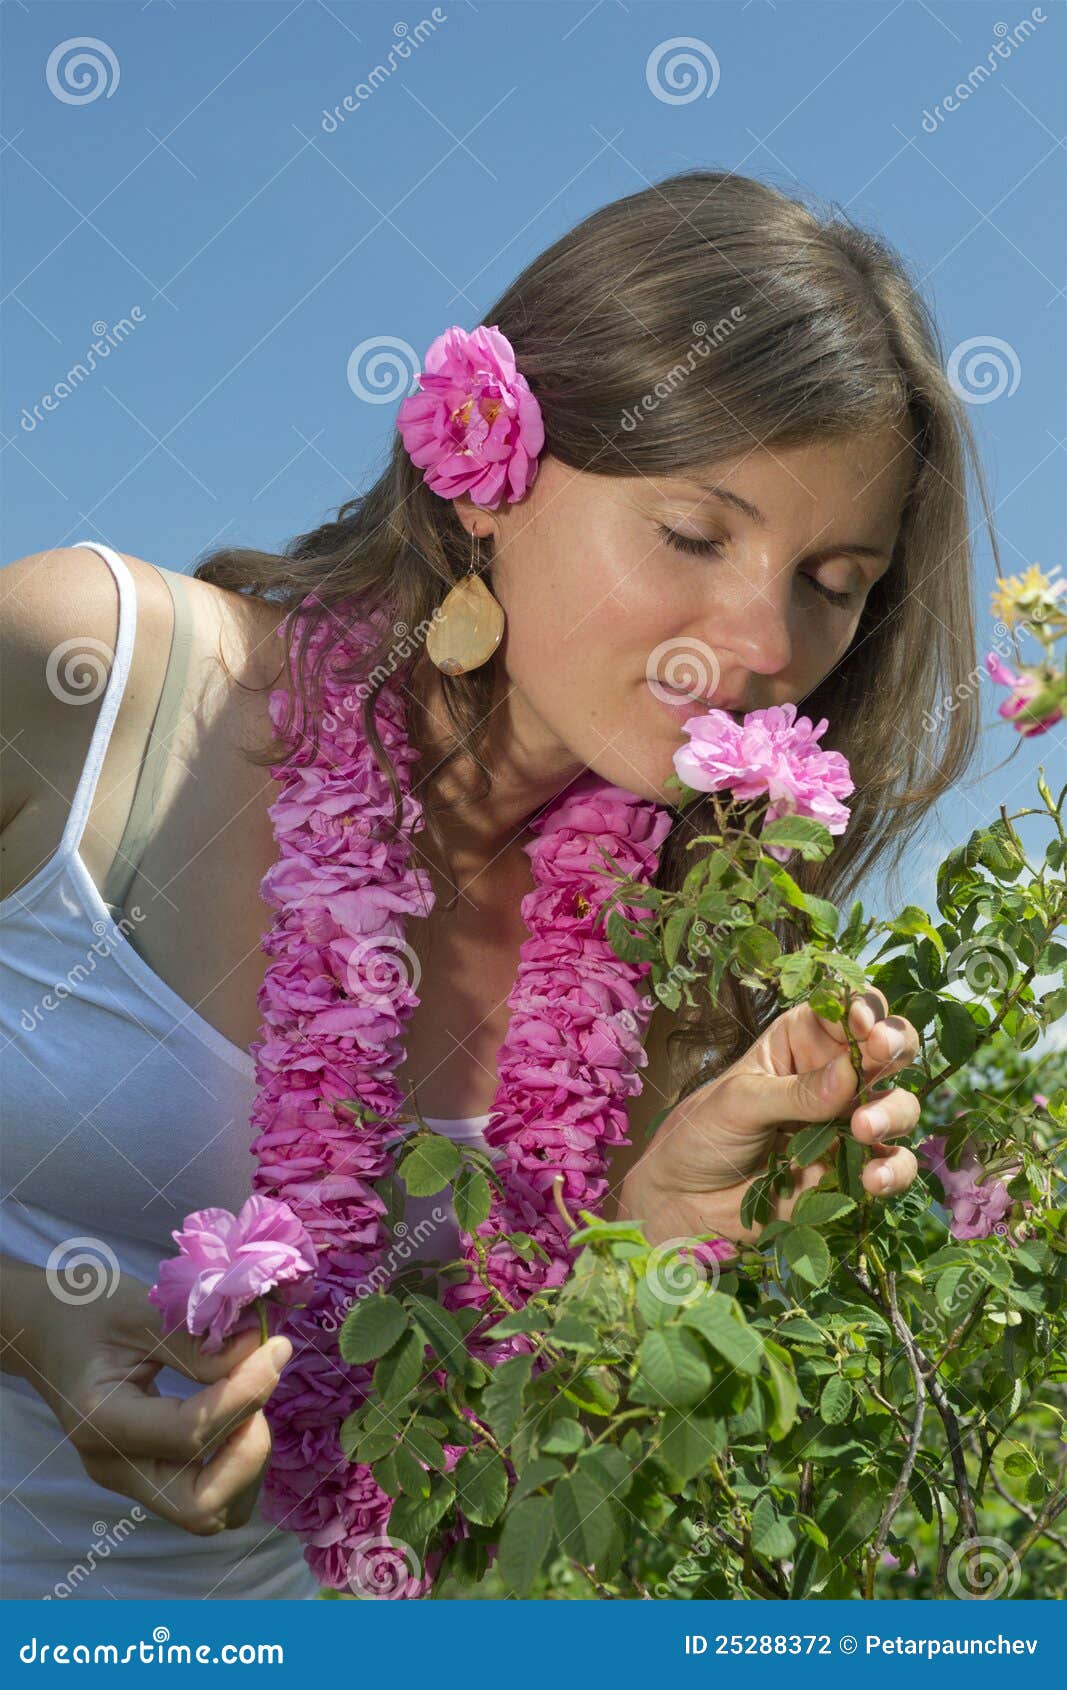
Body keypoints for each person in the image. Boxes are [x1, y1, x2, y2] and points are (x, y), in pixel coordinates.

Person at [0, 167, 989, 1597]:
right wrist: (25, 1314)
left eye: (833, 579)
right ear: (491, 477)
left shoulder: (675, 973)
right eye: (696, 534)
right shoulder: (83, 679)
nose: (767, 638)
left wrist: (654, 1232)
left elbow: (478, 1496)